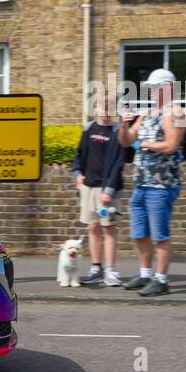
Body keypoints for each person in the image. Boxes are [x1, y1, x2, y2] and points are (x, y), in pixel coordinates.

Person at [117, 69, 184, 296]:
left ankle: (161, 279)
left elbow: (171, 145)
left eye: (156, 87)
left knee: (159, 236)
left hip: (161, 185)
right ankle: (145, 274)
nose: (152, 92)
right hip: (141, 184)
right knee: (139, 233)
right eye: (151, 88)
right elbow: (126, 141)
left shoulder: (175, 111)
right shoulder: (147, 113)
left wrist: (146, 145)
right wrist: (124, 124)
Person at [72, 104, 127, 286]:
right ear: (94, 109)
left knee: (109, 229)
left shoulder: (117, 130)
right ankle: (96, 269)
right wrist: (78, 174)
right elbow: (78, 156)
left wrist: (109, 190)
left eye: (109, 107)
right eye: (101, 107)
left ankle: (111, 271)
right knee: (93, 228)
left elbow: (119, 162)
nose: (105, 111)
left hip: (107, 191)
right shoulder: (88, 129)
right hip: (88, 188)